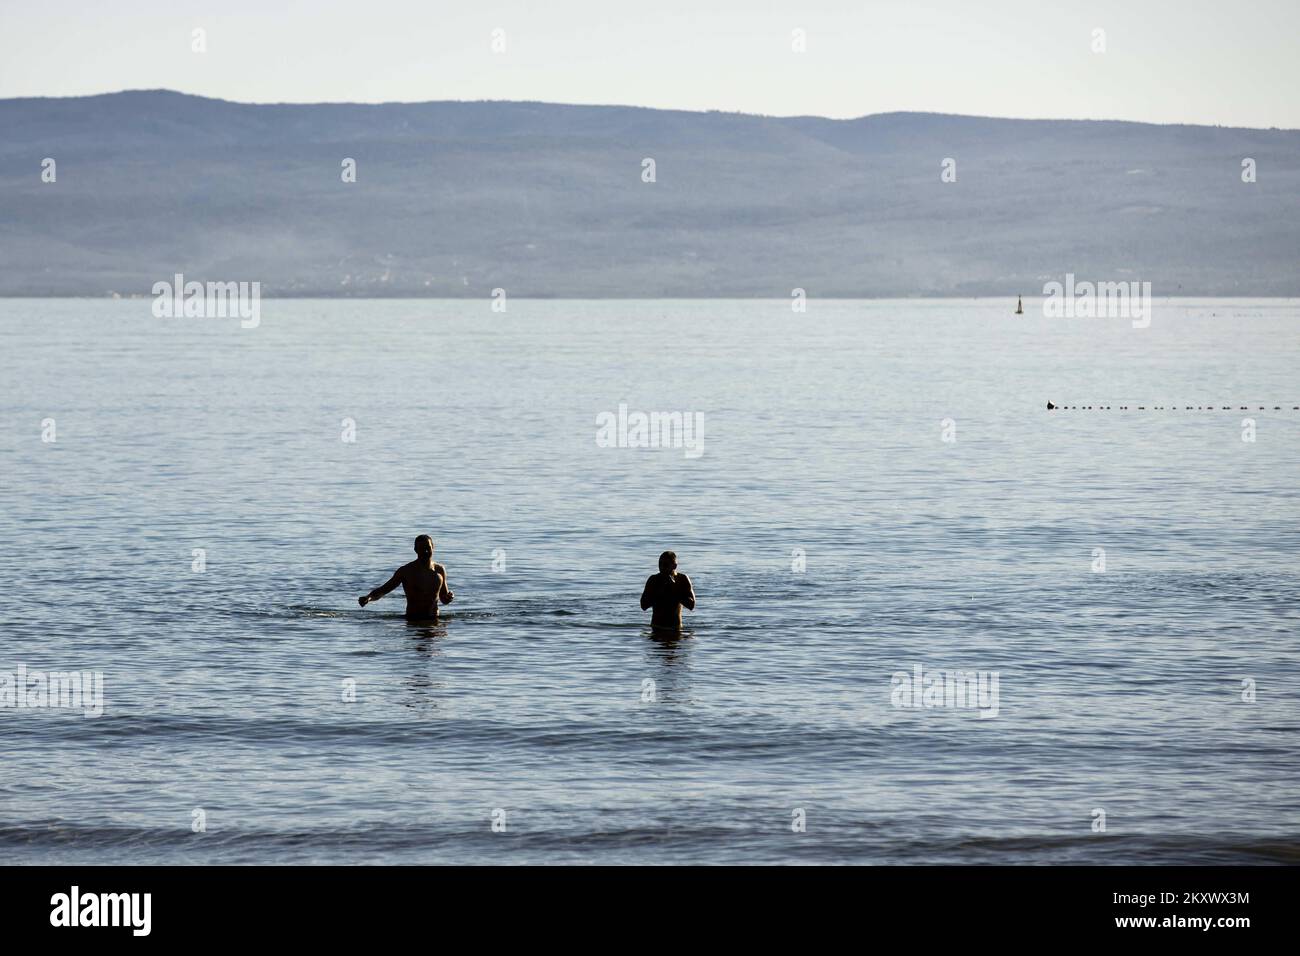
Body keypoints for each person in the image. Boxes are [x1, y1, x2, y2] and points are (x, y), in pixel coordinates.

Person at [359, 535, 453, 620]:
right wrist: (368, 598)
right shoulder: (406, 571)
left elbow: (444, 599)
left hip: (434, 621)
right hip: (413, 620)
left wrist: (449, 597)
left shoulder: (440, 570)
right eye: (422, 548)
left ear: (433, 547)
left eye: (428, 548)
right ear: (415, 550)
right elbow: (384, 590)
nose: (425, 551)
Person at [640, 551, 695, 631]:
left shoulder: (682, 579)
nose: (662, 567)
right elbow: (643, 606)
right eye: (660, 564)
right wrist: (660, 590)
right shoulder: (654, 580)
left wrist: (674, 588)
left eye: (665, 565)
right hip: (656, 628)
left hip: (676, 629)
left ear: (674, 566)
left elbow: (691, 605)